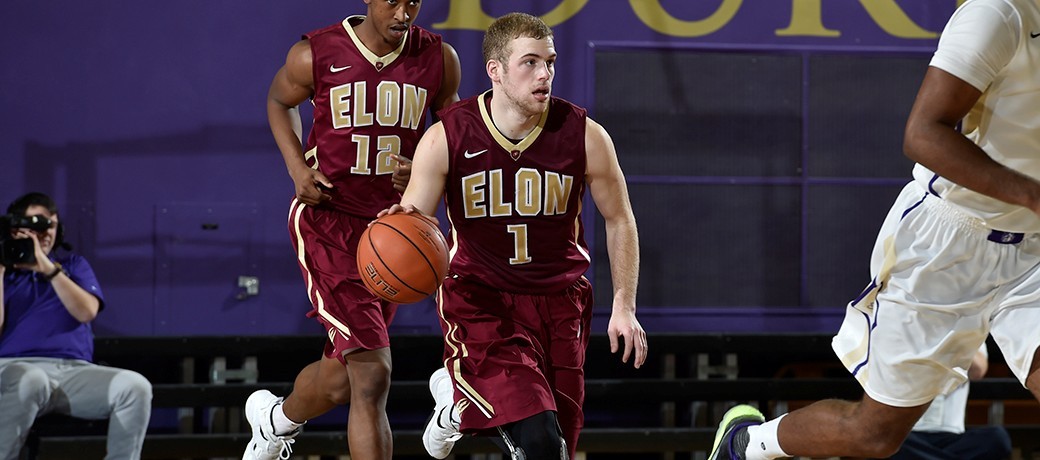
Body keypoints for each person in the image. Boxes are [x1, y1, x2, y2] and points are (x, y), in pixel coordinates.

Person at [710, 0, 1040, 458]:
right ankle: (746, 445)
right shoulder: (999, 14)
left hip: (1031, 252)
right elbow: (922, 134)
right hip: (947, 244)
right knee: (875, 435)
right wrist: (1033, 195)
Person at [381, 12, 648, 459]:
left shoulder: (585, 135)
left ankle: (457, 404)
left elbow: (620, 218)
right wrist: (398, 228)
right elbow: (415, 222)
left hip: (560, 301)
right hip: (480, 300)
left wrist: (624, 305)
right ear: (496, 70)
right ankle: (465, 395)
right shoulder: (446, 136)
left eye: (550, 62)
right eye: (530, 62)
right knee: (538, 439)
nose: (545, 74)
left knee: (557, 445)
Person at [243, 0, 461, 459]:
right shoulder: (315, 53)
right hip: (330, 224)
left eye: (413, 1)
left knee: (342, 380)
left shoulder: (439, 59)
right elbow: (279, 101)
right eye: (393, 1)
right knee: (372, 374)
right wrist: (297, 169)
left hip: (395, 230)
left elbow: (452, 138)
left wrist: (424, 169)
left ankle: (275, 422)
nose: (403, 13)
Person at [0, 192, 153, 460]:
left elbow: (86, 312)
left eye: (50, 225)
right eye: (35, 225)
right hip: (14, 369)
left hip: (73, 373)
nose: (44, 233)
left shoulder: (73, 266)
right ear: (16, 229)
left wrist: (47, 268)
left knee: (135, 386)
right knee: (32, 379)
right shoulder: (6, 273)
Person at [891, 344, 1012, 460]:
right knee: (890, 442)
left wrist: (953, 338)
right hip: (909, 433)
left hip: (952, 435)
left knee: (998, 438)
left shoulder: (970, 332)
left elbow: (978, 371)